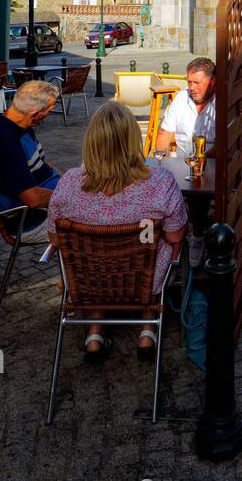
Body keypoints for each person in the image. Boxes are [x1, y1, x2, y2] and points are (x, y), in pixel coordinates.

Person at [47, 101, 187, 363]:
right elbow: (176, 236)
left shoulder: (67, 185)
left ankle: (95, 330)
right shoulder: (160, 182)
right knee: (171, 240)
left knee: (89, 255)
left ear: (91, 142)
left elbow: (54, 239)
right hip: (143, 282)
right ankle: (147, 325)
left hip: (88, 281)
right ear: (133, 140)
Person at [0, 81, 61, 243]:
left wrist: (71, 183)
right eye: (49, 111)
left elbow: (44, 166)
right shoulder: (1, 141)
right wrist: (71, 195)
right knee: (105, 221)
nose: (49, 115)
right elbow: (33, 199)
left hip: (51, 206)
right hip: (32, 220)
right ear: (34, 113)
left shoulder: (20, 124)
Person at [154, 57, 216, 156]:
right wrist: (160, 160)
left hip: (213, 163)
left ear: (212, 81)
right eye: (189, 82)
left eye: (196, 82)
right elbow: (164, 134)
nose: (191, 87)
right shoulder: (181, 98)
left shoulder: (221, 103)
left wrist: (198, 162)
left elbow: (222, 146)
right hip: (181, 161)